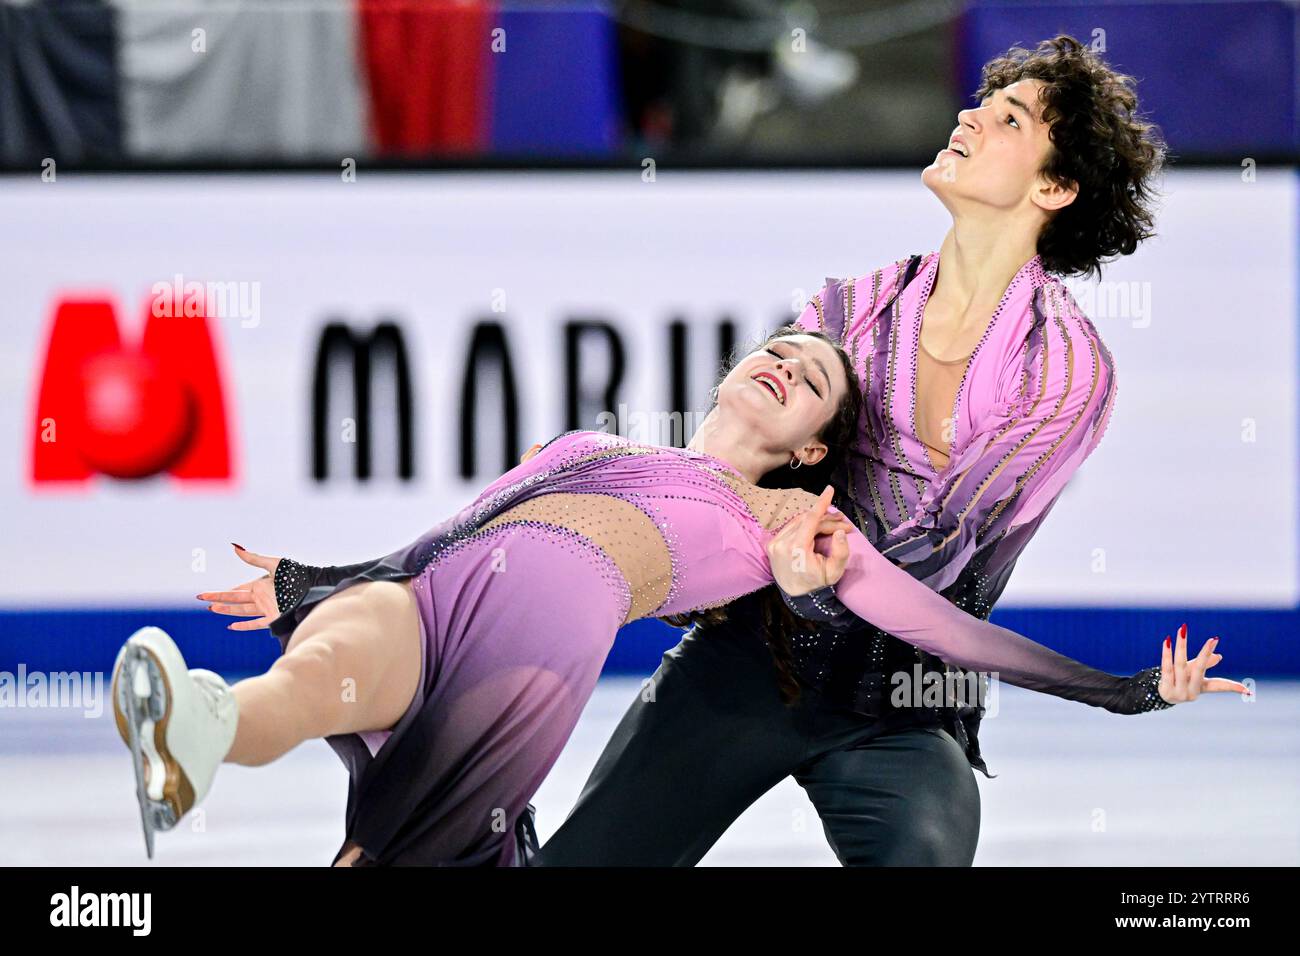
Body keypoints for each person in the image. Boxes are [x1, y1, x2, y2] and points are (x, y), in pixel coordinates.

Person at [111, 324, 1243, 866]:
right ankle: (200, 727)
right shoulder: (585, 438)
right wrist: (322, 578)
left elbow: (945, 628)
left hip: (539, 636)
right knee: (322, 668)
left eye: (812, 380)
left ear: (809, 448)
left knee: (385, 852)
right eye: (781, 347)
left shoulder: (787, 522)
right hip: (445, 587)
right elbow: (455, 527)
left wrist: (1127, 690)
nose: (787, 365)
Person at [531, 35, 1200, 867]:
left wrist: (808, 583)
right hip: (749, 661)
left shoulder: (1061, 373)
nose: (970, 116)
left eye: (1008, 119)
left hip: (903, 701)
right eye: (982, 104)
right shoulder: (852, 306)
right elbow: (738, 474)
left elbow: (939, 565)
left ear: (1054, 186)